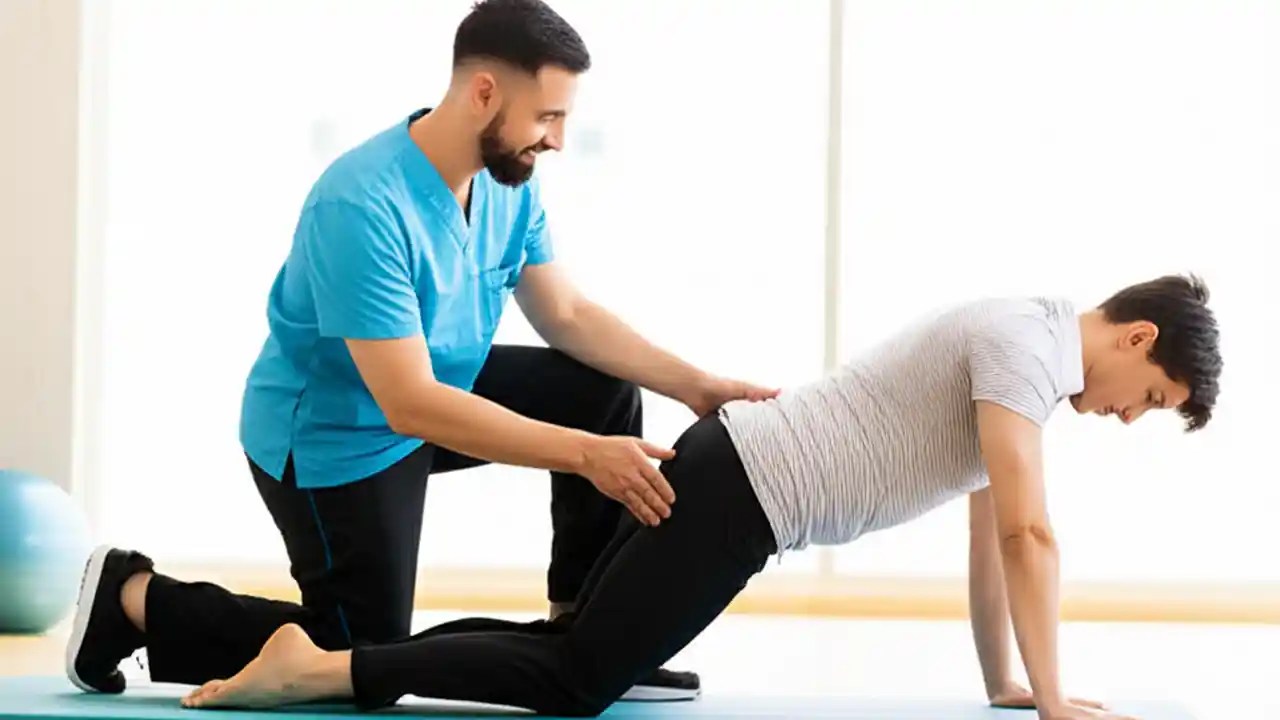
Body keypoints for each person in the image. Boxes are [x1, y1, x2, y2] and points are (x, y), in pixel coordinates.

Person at [64, 0, 778, 703]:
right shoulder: (360, 204)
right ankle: (130, 598)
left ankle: (593, 630)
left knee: (601, 394)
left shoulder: (507, 184)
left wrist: (697, 385)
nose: (558, 140)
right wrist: (587, 455)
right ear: (484, 93)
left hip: (435, 387)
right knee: (360, 652)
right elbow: (407, 404)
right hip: (336, 434)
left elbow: (566, 314)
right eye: (547, 117)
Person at [169, 274, 1219, 720]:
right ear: (1136, 338)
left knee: (576, 654)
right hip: (739, 494)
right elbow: (1030, 533)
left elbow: (993, 536)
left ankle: (336, 660)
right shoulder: (1028, 349)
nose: (1129, 417)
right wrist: (1054, 702)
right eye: (1151, 397)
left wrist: (1008, 685)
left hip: (732, 474)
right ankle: (327, 668)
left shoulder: (1028, 356)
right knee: (578, 680)